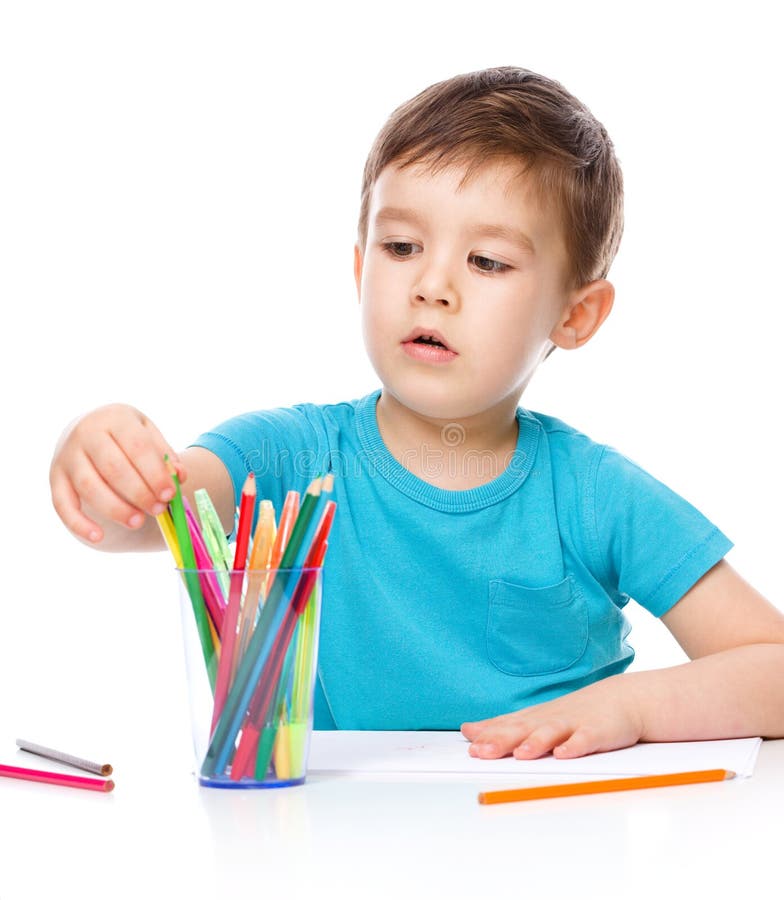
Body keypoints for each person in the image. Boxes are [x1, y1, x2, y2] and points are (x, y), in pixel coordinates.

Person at [50, 66, 784, 760]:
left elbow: (774, 669)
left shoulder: (593, 492)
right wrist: (99, 457)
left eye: (487, 261)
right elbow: (143, 516)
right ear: (362, 268)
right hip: (320, 857)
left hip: (552, 849)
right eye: (402, 246)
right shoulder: (285, 456)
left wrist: (630, 710)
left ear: (577, 314)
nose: (433, 286)